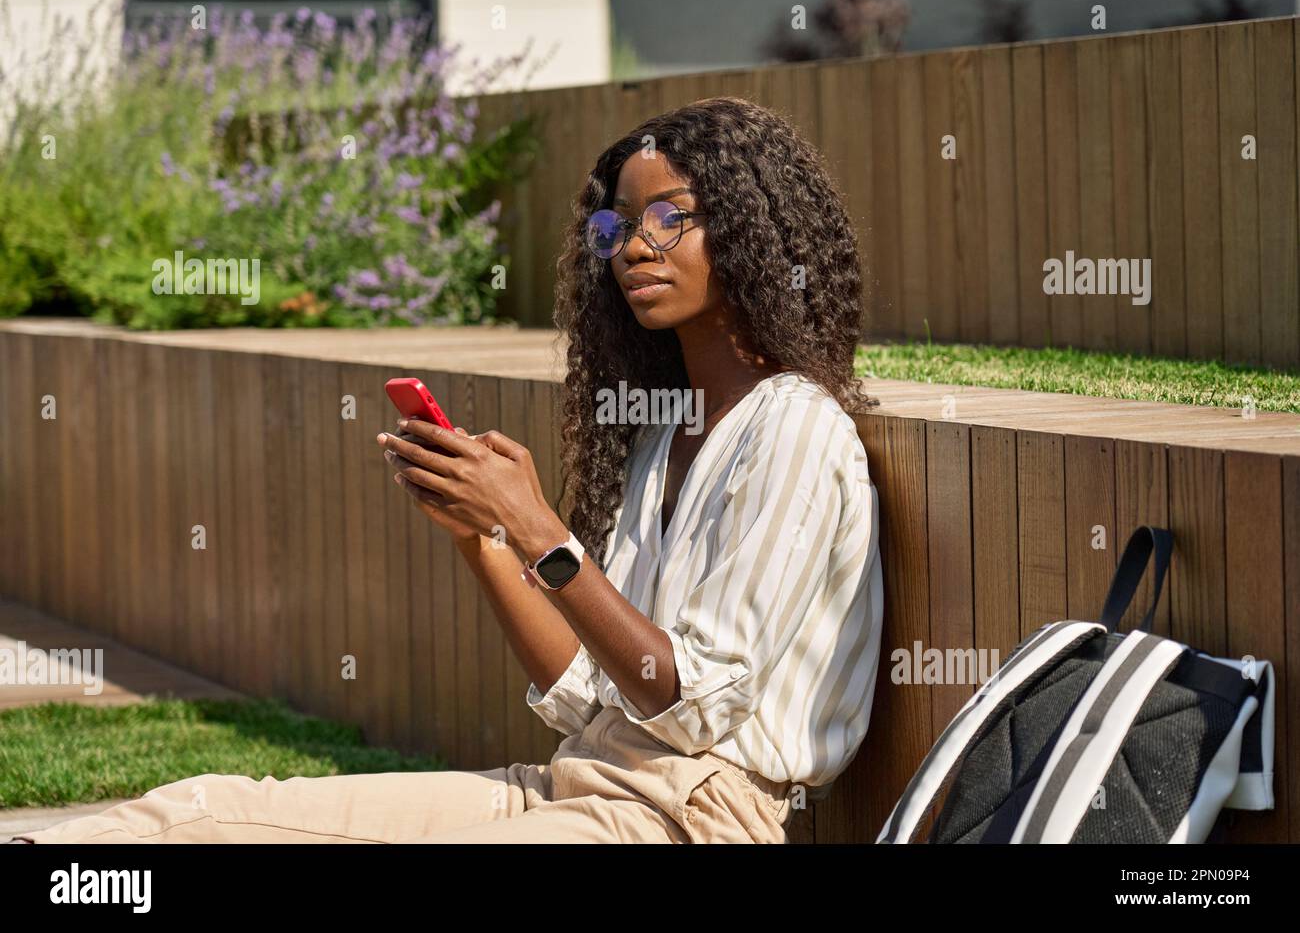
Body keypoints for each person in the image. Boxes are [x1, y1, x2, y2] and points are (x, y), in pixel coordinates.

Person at [13, 96, 884, 844]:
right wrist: (486, 540)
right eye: (617, 225)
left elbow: (690, 707)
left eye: (669, 217)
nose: (632, 247)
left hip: (691, 819)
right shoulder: (665, 439)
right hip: (581, 782)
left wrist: (541, 531)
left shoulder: (797, 429)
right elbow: (589, 696)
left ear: (746, 224)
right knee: (197, 813)